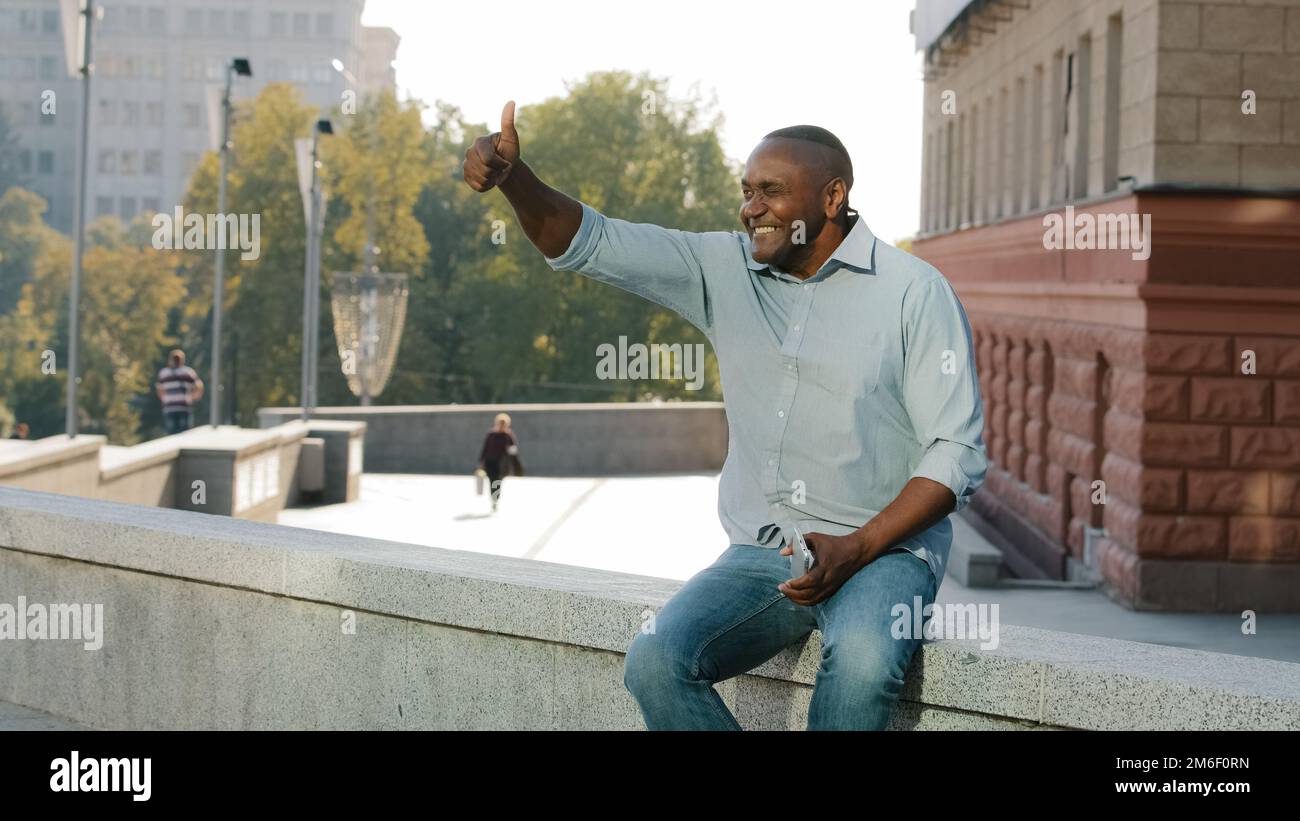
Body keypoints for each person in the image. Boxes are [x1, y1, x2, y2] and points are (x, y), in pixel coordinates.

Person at [463, 102, 988, 730]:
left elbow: (956, 450)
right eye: (747, 192)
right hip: (764, 553)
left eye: (770, 192)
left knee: (866, 663)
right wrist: (514, 178)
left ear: (833, 197)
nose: (751, 208)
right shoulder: (725, 268)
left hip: (883, 552)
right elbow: (587, 240)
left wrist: (857, 547)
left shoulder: (914, 292)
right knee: (656, 658)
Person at [477, 413, 521, 513]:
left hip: (501, 464)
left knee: (497, 482)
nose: (501, 426)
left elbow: (513, 450)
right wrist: (481, 462)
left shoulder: (508, 435)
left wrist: (515, 462)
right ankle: (494, 498)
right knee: (492, 481)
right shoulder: (491, 434)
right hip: (490, 462)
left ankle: (495, 499)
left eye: (503, 424)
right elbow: (485, 448)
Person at [155, 349, 204, 435]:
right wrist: (193, 397)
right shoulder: (187, 372)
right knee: (183, 433)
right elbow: (198, 385)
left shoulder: (165, 373)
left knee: (174, 433)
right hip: (181, 406)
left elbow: (159, 389)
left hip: (172, 407)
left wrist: (164, 399)